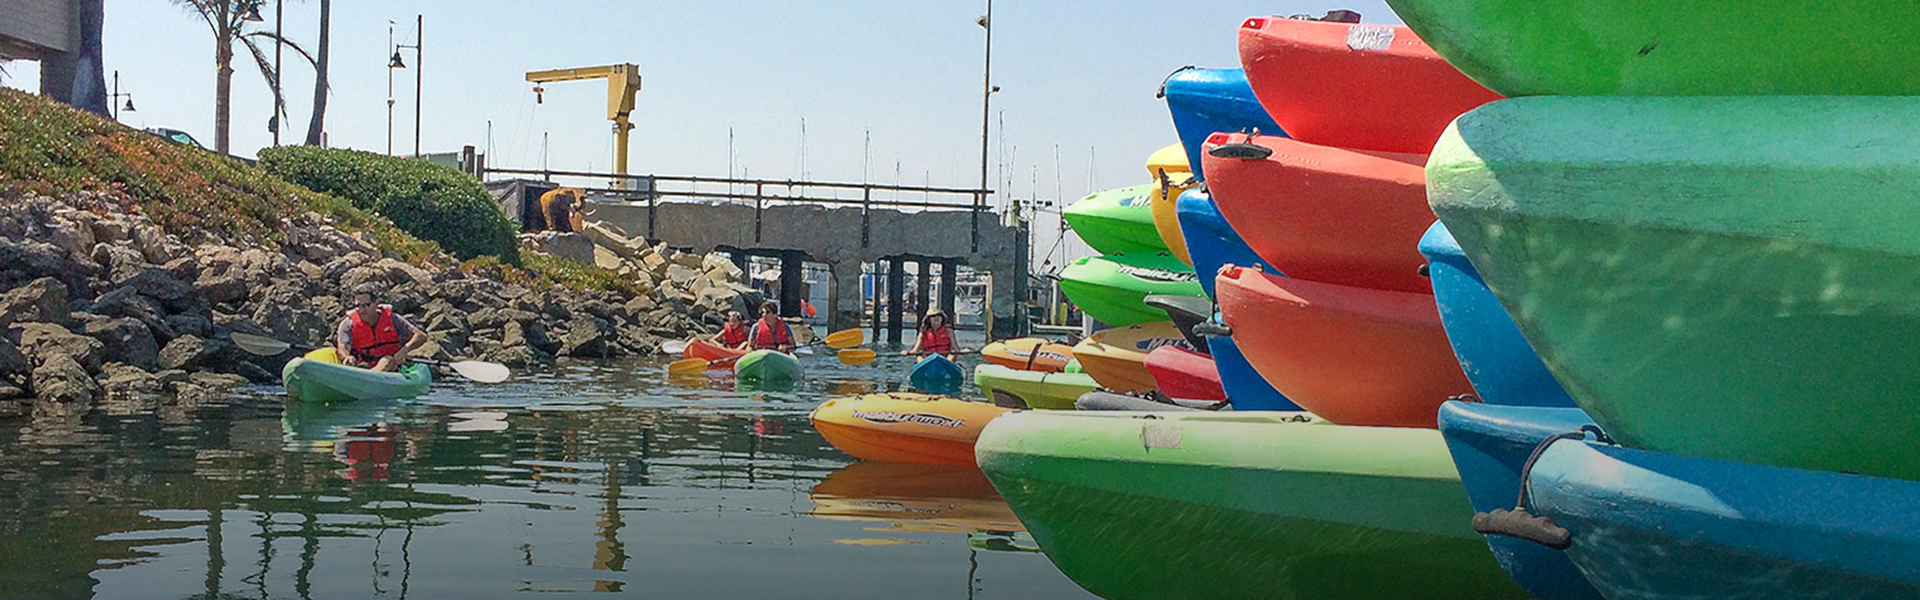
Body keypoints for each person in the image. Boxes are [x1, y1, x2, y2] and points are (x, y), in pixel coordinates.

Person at [334, 284, 429, 372]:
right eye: (357, 306)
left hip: (390, 366)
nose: (361, 310)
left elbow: (420, 336)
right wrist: (347, 357)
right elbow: (343, 347)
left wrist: (405, 350)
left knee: (387, 360)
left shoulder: (392, 319)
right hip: (361, 366)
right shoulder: (348, 324)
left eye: (365, 305)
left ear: (376, 304)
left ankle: (371, 378)